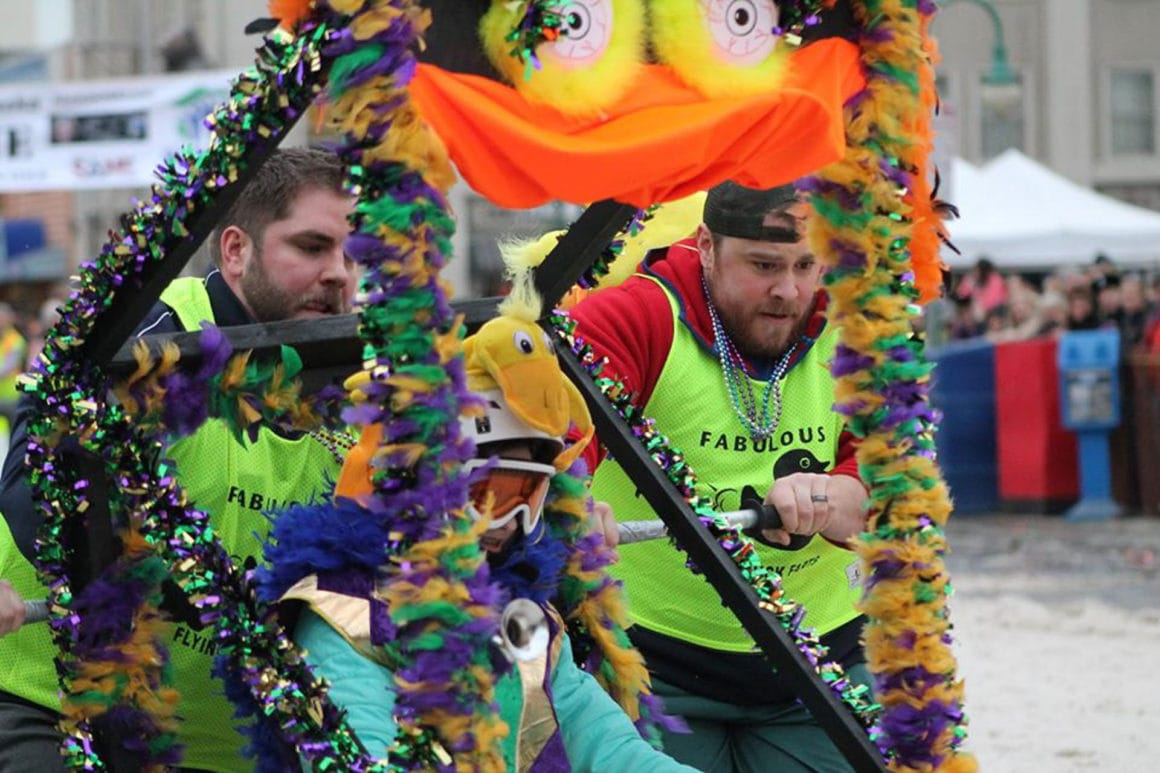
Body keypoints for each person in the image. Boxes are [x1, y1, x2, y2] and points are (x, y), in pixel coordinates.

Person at [0, 147, 356, 772]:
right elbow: (42, 465)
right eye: (312, 247)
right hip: (54, 705)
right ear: (236, 250)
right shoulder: (154, 331)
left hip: (226, 752)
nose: (339, 273)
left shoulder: (359, 386)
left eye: (354, 255)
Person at [261, 315, 696, 771]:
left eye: (528, 494)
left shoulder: (522, 614)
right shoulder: (340, 617)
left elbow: (612, 750)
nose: (506, 520)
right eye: (485, 493)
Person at [570, 181, 872, 772]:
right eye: (763, 265)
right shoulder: (638, 315)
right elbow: (557, 433)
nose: (789, 291)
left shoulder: (858, 319)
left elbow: (899, 473)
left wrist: (845, 493)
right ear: (706, 245)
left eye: (806, 265)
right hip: (658, 672)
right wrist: (571, 502)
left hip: (819, 667)